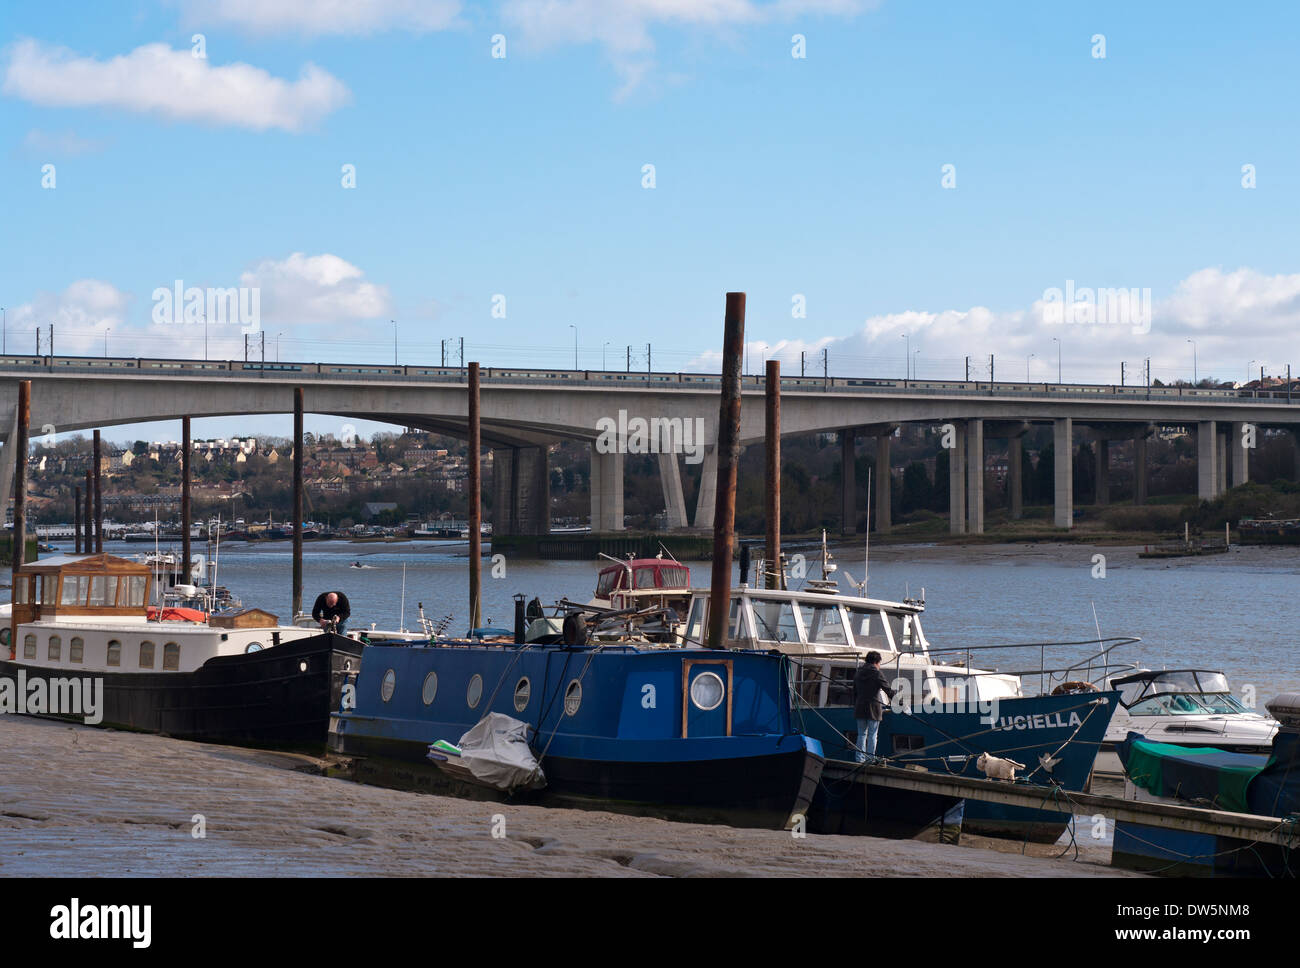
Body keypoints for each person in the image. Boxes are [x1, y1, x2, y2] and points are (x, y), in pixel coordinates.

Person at [853, 650, 895, 762]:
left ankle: (859, 758)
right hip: (873, 708)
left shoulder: (858, 672)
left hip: (860, 707)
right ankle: (870, 758)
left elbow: (854, 691)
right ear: (876, 662)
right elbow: (888, 689)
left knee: (861, 734)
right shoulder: (876, 673)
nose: (879, 666)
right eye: (880, 663)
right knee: (872, 735)